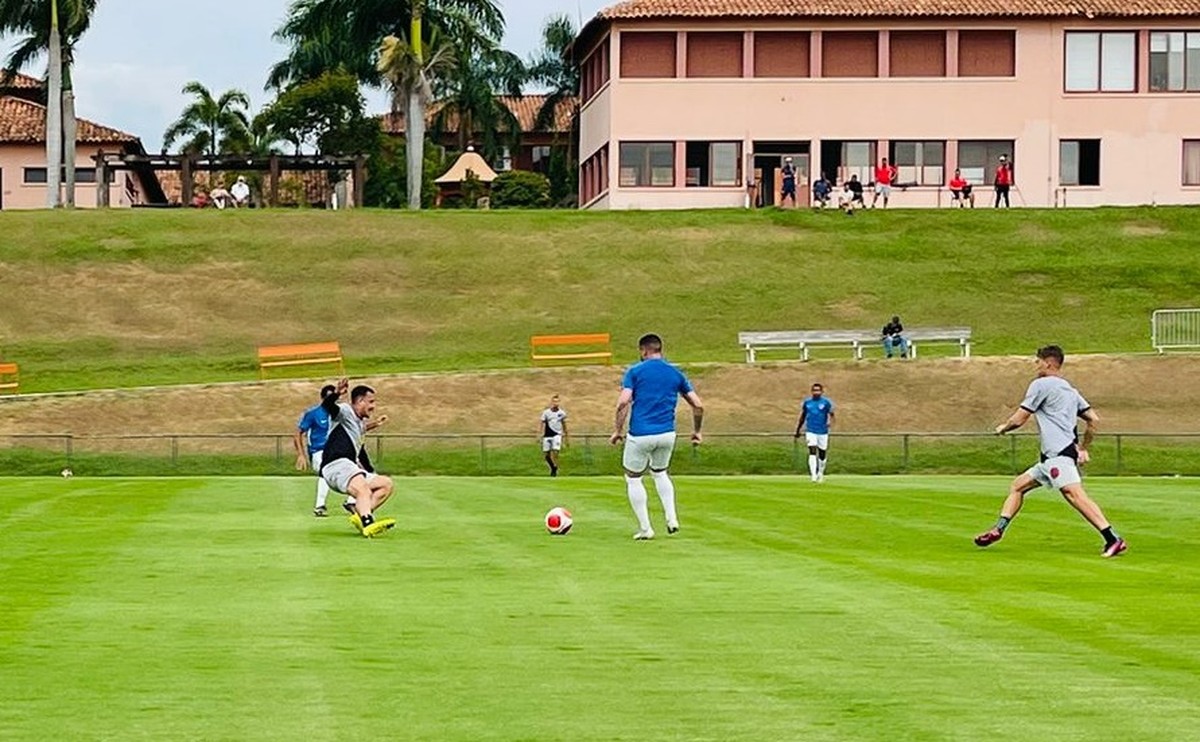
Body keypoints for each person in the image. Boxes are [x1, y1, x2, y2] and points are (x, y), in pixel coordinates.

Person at [975, 345, 1127, 557]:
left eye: (1037, 362)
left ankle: (1113, 538)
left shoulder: (1041, 384)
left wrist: (1003, 428)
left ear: (1047, 362)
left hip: (1058, 456)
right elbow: (1093, 419)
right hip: (1051, 458)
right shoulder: (1070, 391)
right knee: (1018, 486)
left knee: (1074, 495)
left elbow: (1019, 419)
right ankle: (998, 529)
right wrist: (1083, 448)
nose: (1035, 366)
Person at [610, 333, 704, 540]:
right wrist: (697, 431)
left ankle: (646, 529)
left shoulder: (635, 371)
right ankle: (672, 518)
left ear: (644, 350)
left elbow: (623, 402)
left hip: (641, 434)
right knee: (660, 473)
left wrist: (618, 430)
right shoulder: (675, 373)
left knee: (633, 478)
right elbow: (698, 405)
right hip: (667, 433)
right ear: (660, 349)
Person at [319, 377, 397, 538]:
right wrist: (336, 393)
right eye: (371, 402)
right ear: (360, 401)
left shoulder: (360, 425)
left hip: (348, 467)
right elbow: (327, 406)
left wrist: (370, 471)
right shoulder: (345, 411)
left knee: (385, 484)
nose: (373, 406)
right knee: (362, 488)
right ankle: (368, 523)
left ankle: (360, 515)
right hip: (336, 465)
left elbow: (359, 450)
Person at [295, 384, 338, 517]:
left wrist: (374, 424)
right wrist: (301, 455)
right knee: (324, 471)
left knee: (354, 470)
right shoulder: (313, 414)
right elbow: (298, 433)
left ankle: (352, 502)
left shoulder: (339, 413)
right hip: (318, 451)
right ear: (323, 398)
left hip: (335, 451)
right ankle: (320, 505)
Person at [794, 383, 835, 483]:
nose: (816, 392)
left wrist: (830, 423)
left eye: (818, 390)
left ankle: (820, 473)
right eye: (814, 390)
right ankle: (813, 475)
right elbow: (803, 416)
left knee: (822, 453)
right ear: (811, 391)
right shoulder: (807, 403)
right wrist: (798, 429)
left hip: (822, 431)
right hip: (811, 430)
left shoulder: (826, 403)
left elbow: (832, 415)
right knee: (812, 450)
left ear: (821, 392)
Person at [539, 394, 569, 476]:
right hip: (547, 435)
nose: (556, 403)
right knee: (546, 455)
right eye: (554, 401)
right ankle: (553, 467)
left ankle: (555, 467)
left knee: (555, 451)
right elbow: (542, 423)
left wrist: (566, 436)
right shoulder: (546, 412)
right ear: (551, 402)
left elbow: (564, 424)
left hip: (557, 434)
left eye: (557, 402)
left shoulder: (561, 413)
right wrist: (539, 434)